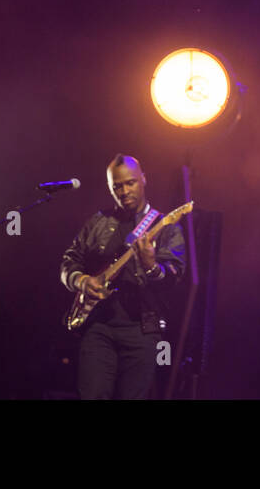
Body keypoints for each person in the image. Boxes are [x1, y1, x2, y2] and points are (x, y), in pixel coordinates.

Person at [60, 153, 185, 399]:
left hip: (143, 331)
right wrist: (82, 281)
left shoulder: (166, 226)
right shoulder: (98, 222)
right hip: (97, 328)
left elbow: (175, 278)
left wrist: (151, 267)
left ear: (144, 180)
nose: (124, 190)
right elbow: (69, 260)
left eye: (130, 183)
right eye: (116, 186)